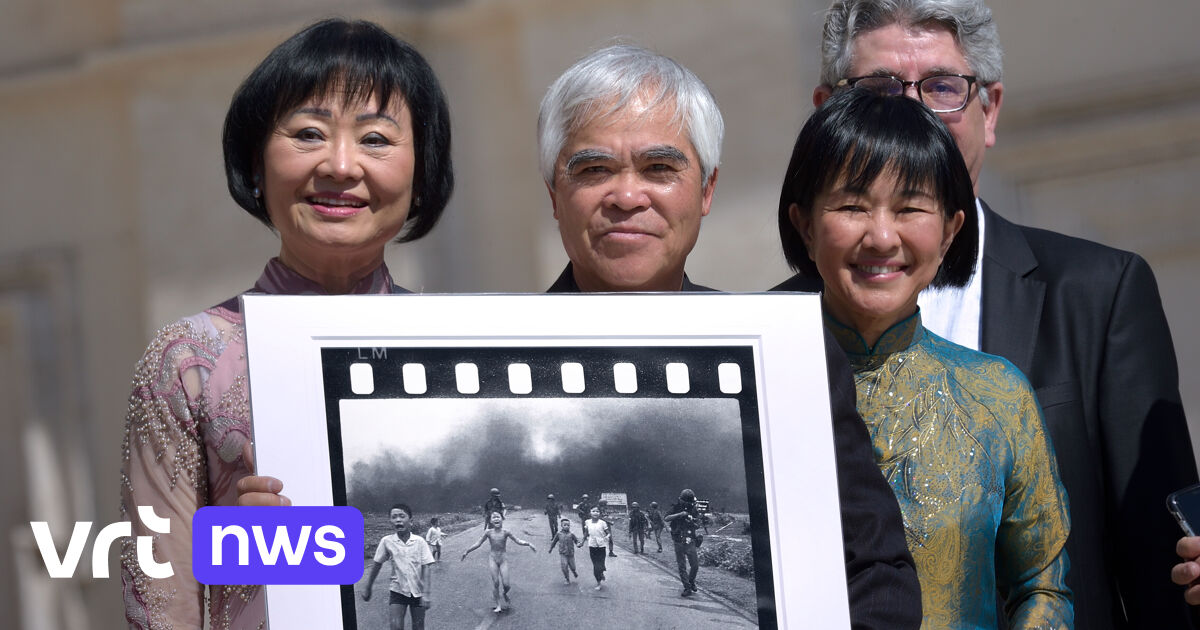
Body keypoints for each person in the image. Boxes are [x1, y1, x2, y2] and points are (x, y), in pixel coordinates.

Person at [774, 2, 1199, 627]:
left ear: (989, 109)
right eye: (879, 90)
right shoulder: (766, 345)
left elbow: (1165, 560)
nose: (911, 114)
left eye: (943, 87)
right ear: (825, 114)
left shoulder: (1099, 293)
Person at [539, 42, 920, 627]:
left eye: (660, 168)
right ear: (553, 194)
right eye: (593, 169)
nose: (626, 196)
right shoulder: (481, 352)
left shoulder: (788, 353)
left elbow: (877, 571)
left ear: (708, 189)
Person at [119, 18, 453, 629]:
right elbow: (157, 601)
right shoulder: (187, 359)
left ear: (422, 172)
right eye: (308, 133)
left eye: (376, 139)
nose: (341, 165)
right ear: (255, 163)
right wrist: (235, 546)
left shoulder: (458, 343)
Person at [777, 87, 1073, 628]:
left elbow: (1043, 588)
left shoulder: (997, 395)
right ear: (805, 224)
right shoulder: (762, 383)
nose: (882, 236)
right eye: (852, 206)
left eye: (911, 208)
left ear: (950, 231)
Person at [362, 503, 435, 630]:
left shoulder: (420, 542)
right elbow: (377, 564)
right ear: (391, 521)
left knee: (418, 627)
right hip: (397, 590)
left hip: (418, 592)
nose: (398, 520)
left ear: (410, 521)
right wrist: (368, 587)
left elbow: (426, 567)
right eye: (394, 517)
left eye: (402, 516)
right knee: (395, 627)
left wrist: (427, 594)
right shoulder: (387, 541)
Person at [461, 511, 537, 613]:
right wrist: (467, 551)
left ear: (502, 519)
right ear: (491, 521)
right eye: (494, 517)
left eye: (498, 517)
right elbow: (478, 543)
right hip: (492, 559)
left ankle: (504, 594)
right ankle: (498, 605)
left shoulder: (506, 532)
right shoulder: (488, 532)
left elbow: (518, 540)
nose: (496, 519)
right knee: (496, 582)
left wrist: (528, 543)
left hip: (503, 559)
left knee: (507, 585)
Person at [664, 489, 704, 597]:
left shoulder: (693, 509)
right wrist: (680, 514)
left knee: (695, 565)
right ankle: (687, 587)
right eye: (686, 502)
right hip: (678, 540)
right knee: (682, 566)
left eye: (690, 502)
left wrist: (693, 522)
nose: (688, 504)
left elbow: (698, 523)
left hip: (690, 540)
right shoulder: (675, 507)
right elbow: (666, 518)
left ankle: (690, 582)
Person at [582, 506, 611, 590]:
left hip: (601, 546)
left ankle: (601, 572)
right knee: (595, 565)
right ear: (590, 513)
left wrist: (606, 537)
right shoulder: (587, 522)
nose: (595, 513)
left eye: (597, 511)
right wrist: (582, 542)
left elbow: (608, 533)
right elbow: (586, 533)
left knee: (600, 564)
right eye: (593, 511)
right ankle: (598, 583)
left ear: (599, 513)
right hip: (592, 546)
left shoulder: (602, 523)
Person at [548, 517, 584, 584]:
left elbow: (577, 541)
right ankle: (567, 579)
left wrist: (579, 544)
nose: (567, 526)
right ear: (561, 526)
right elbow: (554, 542)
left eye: (568, 525)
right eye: (565, 525)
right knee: (564, 567)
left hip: (571, 554)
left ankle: (574, 571)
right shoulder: (559, 534)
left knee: (573, 566)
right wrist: (550, 549)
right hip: (563, 553)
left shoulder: (572, 534)